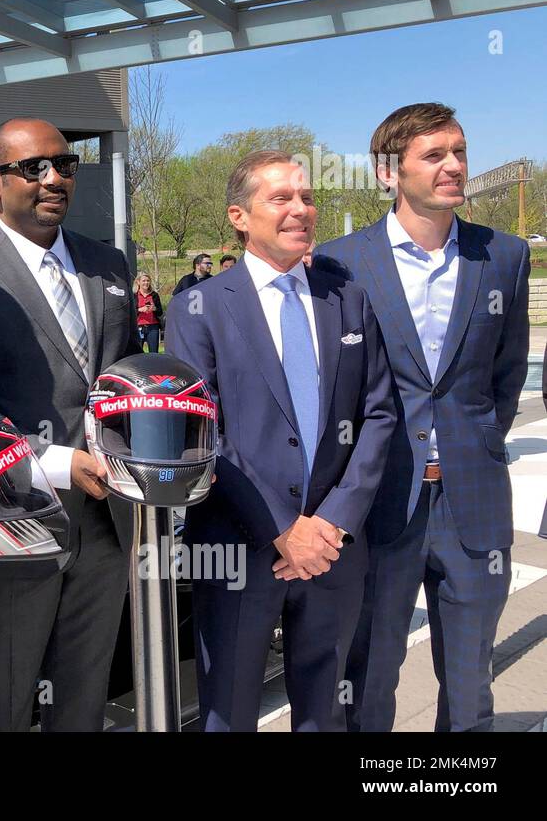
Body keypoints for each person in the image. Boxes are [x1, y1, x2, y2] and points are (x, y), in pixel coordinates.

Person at [316, 103, 530, 732]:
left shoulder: (505, 257)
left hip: (473, 501)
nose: (454, 166)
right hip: (380, 503)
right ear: (389, 172)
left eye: (459, 151)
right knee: (370, 674)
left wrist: (478, 440)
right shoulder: (340, 263)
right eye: (434, 155)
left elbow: (507, 374)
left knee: (470, 682)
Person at [167, 150, 396, 731]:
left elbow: (378, 415)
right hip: (237, 548)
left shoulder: (348, 300)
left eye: (308, 197)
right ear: (238, 216)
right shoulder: (198, 309)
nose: (301, 209)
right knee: (230, 711)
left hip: (333, 548)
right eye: (281, 198)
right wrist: (281, 529)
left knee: (327, 711)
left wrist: (332, 522)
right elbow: (200, 434)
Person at [0, 118, 141, 732]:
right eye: (33, 168)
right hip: (12, 524)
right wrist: (53, 464)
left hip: (107, 524)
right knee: (4, 697)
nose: (54, 179)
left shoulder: (108, 264)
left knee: (83, 693)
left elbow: (122, 381)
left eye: (64, 165)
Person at [135, 272, 164, 353]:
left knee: (154, 353)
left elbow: (160, 312)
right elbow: (129, 312)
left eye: (148, 281)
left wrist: (154, 308)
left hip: (153, 328)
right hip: (138, 328)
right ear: (138, 282)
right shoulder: (134, 295)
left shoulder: (154, 295)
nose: (146, 283)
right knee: (137, 352)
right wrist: (140, 310)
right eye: (144, 281)